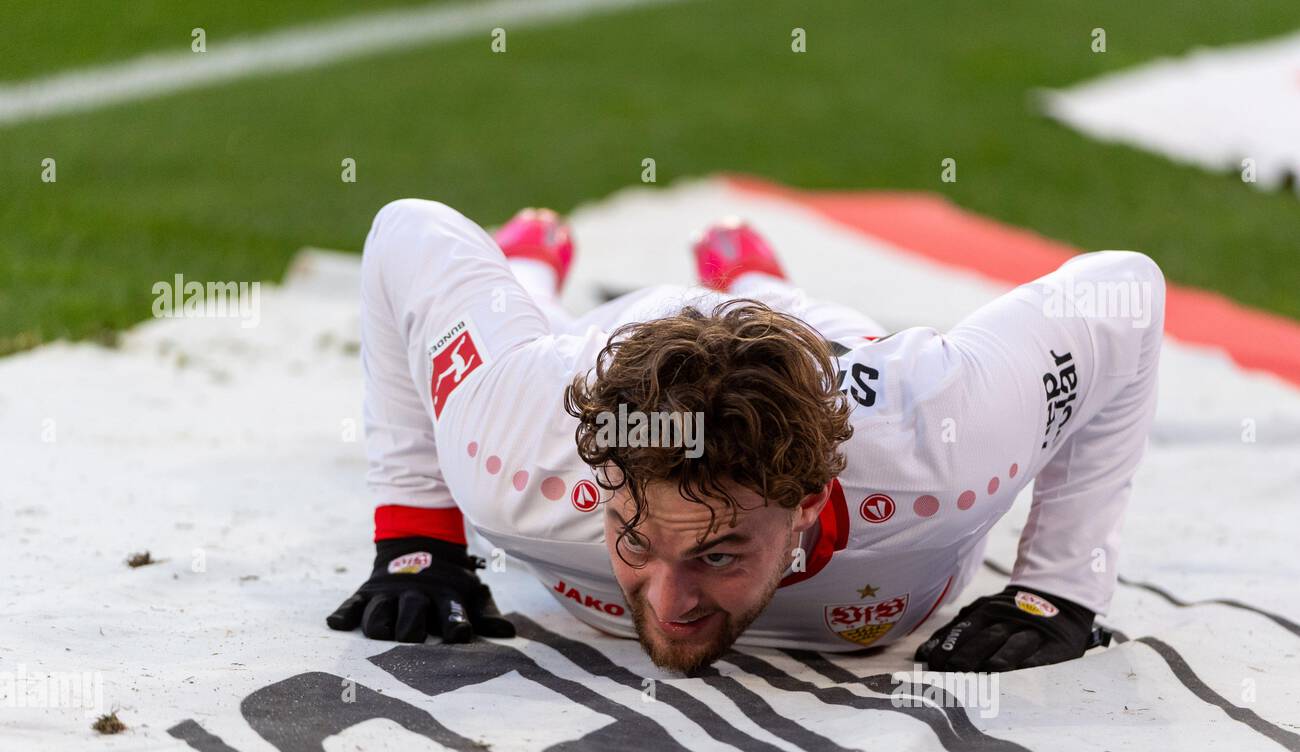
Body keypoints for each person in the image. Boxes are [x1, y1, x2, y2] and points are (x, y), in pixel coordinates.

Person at [327, 199, 1164, 674]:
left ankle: (756, 278)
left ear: (806, 501)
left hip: (832, 348)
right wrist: (418, 538)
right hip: (618, 333)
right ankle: (534, 263)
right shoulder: (515, 442)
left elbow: (1127, 292)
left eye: (719, 553)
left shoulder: (941, 437)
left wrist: (1058, 589)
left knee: (805, 319)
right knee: (536, 322)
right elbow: (406, 232)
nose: (668, 602)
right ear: (601, 471)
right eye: (633, 536)